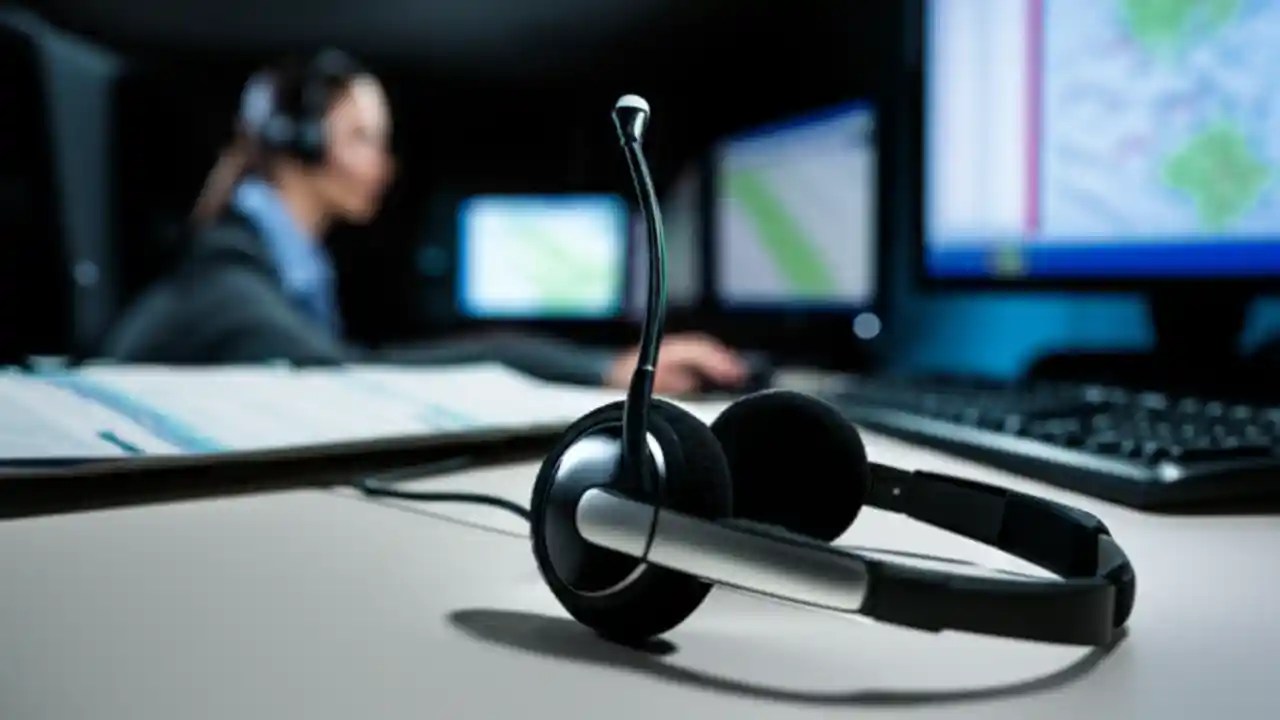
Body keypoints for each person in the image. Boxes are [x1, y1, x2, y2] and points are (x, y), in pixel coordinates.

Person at [103, 49, 748, 395]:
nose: (383, 166)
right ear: (298, 143)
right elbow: (351, 377)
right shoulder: (226, 275)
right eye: (362, 138)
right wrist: (606, 370)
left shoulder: (281, 264)